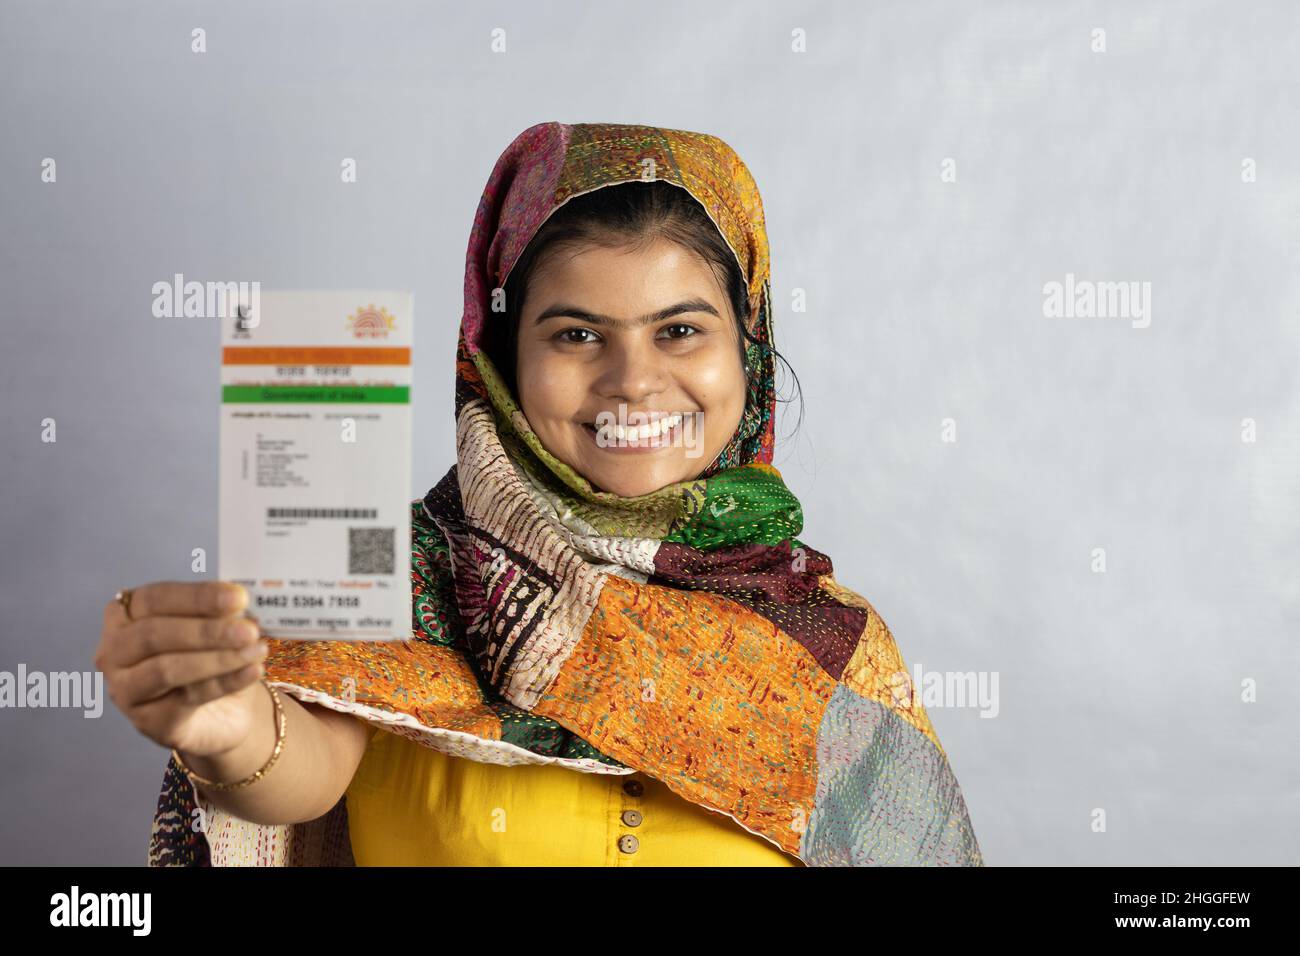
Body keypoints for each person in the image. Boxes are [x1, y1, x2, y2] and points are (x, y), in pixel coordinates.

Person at [98, 121, 983, 866]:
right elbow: (306, 768)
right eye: (576, 334)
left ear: (748, 347)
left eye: (680, 329)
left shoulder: (834, 652)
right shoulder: (390, 578)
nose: (633, 381)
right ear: (501, 355)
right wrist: (231, 728)